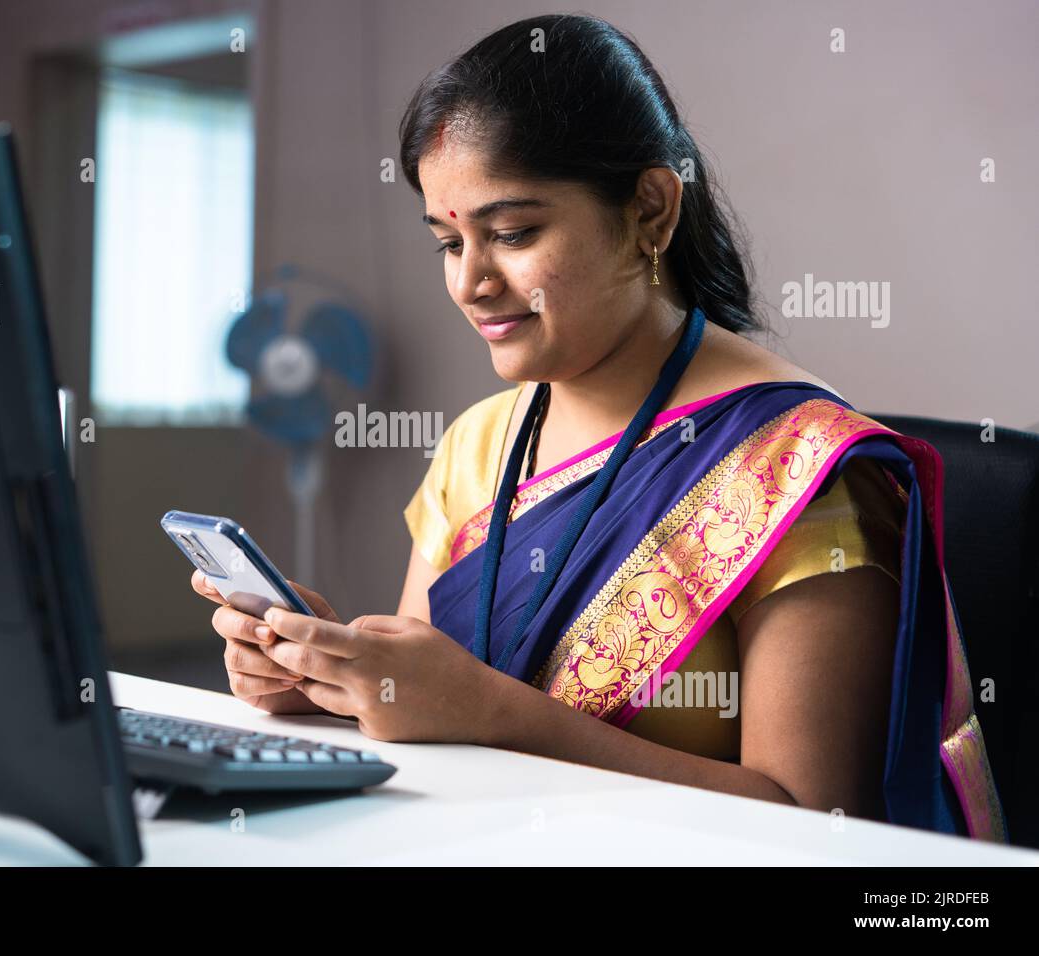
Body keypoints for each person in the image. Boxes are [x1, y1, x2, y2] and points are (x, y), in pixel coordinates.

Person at [190, 13, 1006, 841]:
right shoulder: (479, 445)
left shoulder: (802, 469)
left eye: (512, 234)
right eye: (447, 242)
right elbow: (434, 732)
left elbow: (812, 824)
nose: (471, 283)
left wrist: (493, 712)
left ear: (650, 211)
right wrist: (332, 685)